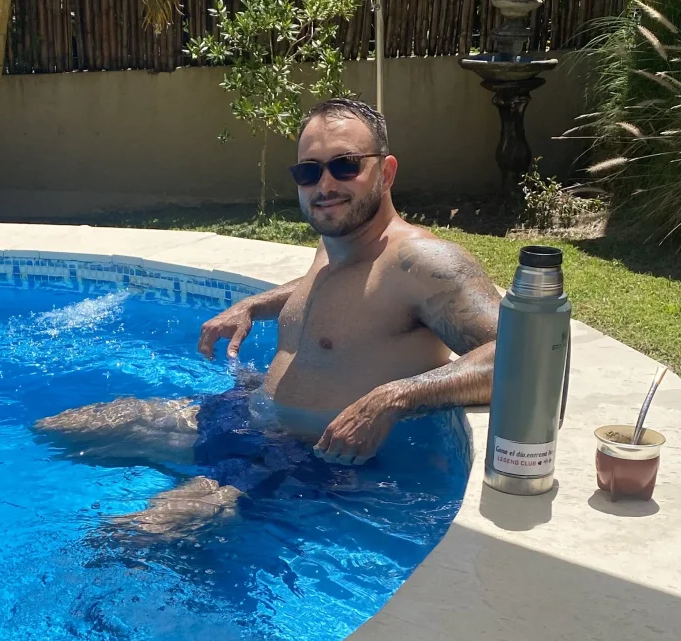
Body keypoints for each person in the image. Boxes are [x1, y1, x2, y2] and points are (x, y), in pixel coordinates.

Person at [36, 98, 500, 534]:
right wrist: (253, 305)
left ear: (387, 170)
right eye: (309, 171)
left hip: (304, 460)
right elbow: (342, 290)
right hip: (245, 413)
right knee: (64, 428)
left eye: (345, 165)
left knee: (134, 536)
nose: (325, 185)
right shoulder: (337, 242)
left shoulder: (423, 262)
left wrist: (392, 398)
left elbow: (519, 358)